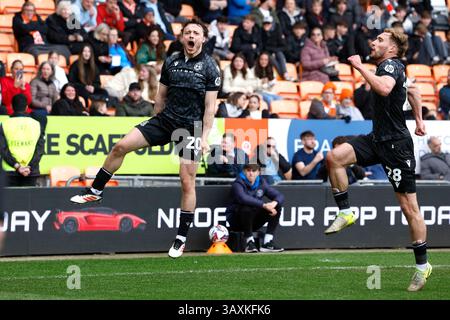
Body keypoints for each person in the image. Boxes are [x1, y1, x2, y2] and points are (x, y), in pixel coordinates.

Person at [69, 19, 221, 259]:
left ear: (202, 38)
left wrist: (203, 137)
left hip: (191, 128)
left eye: (196, 33)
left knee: (186, 181)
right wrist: (155, 123)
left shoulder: (211, 67)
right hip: (165, 120)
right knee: (120, 146)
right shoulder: (171, 61)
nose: (191, 36)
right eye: (187, 32)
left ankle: (181, 237)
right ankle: (95, 190)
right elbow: (160, 96)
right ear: (182, 37)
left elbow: (210, 107)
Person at [325, 28, 431, 291]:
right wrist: (418, 120)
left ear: (393, 48)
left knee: (410, 209)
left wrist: (360, 67)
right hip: (377, 139)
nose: (373, 42)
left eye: (380, 40)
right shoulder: (392, 67)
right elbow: (415, 92)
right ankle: (346, 212)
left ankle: (422, 266)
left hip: (397, 147)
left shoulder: (392, 65)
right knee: (335, 157)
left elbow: (384, 89)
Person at [225, 163, 285, 253]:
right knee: (247, 207)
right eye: (248, 171)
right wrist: (264, 205)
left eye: (254, 171)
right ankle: (249, 242)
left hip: (253, 220)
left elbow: (279, 195)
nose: (251, 173)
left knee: (277, 207)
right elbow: (243, 198)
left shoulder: (261, 182)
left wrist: (274, 203)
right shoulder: (238, 183)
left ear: (258, 172)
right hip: (236, 221)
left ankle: (268, 242)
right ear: (244, 172)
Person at [0, 94, 45, 186]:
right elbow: (40, 150)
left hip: (10, 171)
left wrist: (17, 166)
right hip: (31, 171)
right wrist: (29, 167)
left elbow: (3, 149)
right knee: (29, 200)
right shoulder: (37, 124)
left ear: (12, 106)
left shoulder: (4, 124)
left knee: (10, 200)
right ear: (27, 107)